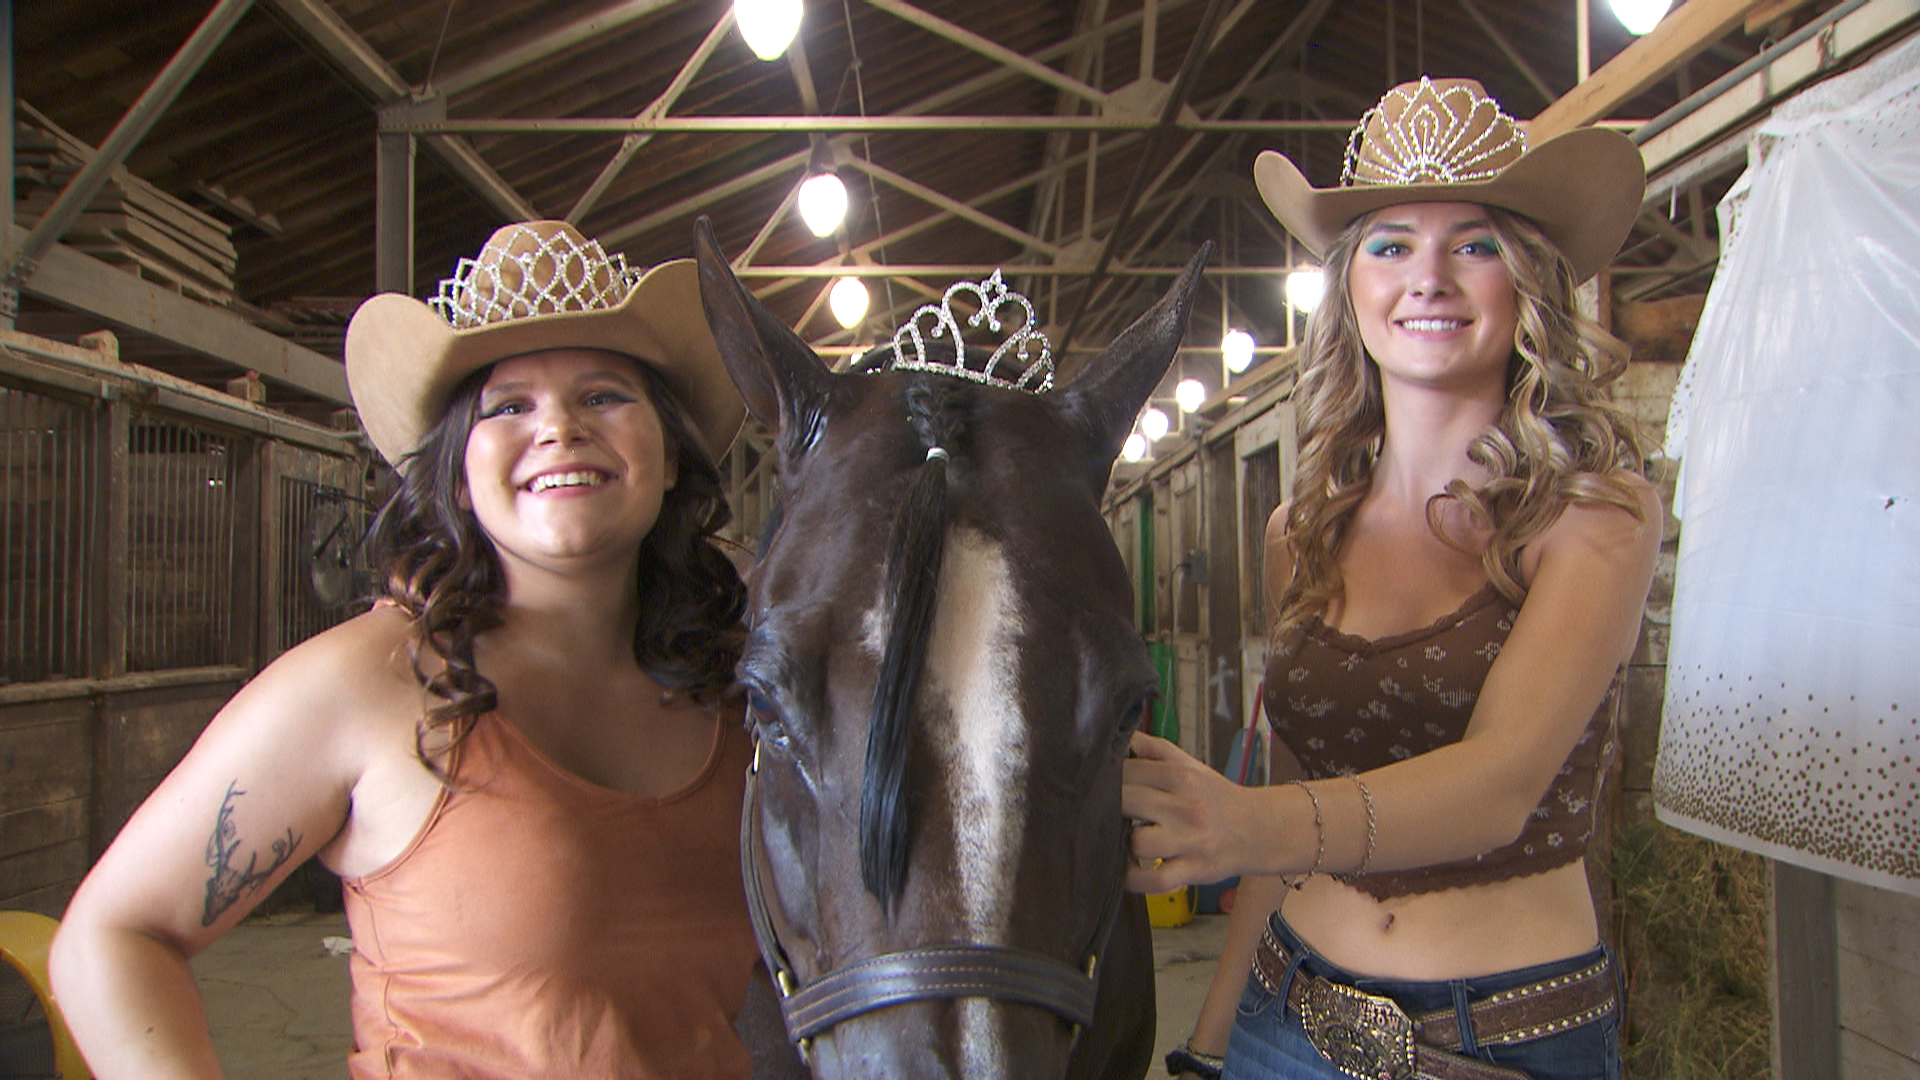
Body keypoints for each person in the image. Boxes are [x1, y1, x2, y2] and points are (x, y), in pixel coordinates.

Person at [50, 221, 789, 1080]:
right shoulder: (366, 684)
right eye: (508, 406)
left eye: (604, 396)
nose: (559, 427)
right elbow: (115, 934)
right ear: (458, 475)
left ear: (667, 461)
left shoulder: (738, 690)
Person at [1127, 77, 1659, 1080]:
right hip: (1283, 1008)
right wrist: (1212, 1041)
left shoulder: (1592, 515)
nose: (1429, 280)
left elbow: (1499, 785)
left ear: (1527, 281)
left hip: (1495, 1037)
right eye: (1391, 245)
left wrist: (1238, 824)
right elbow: (1292, 805)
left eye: (1474, 245)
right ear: (1351, 287)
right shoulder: (1300, 533)